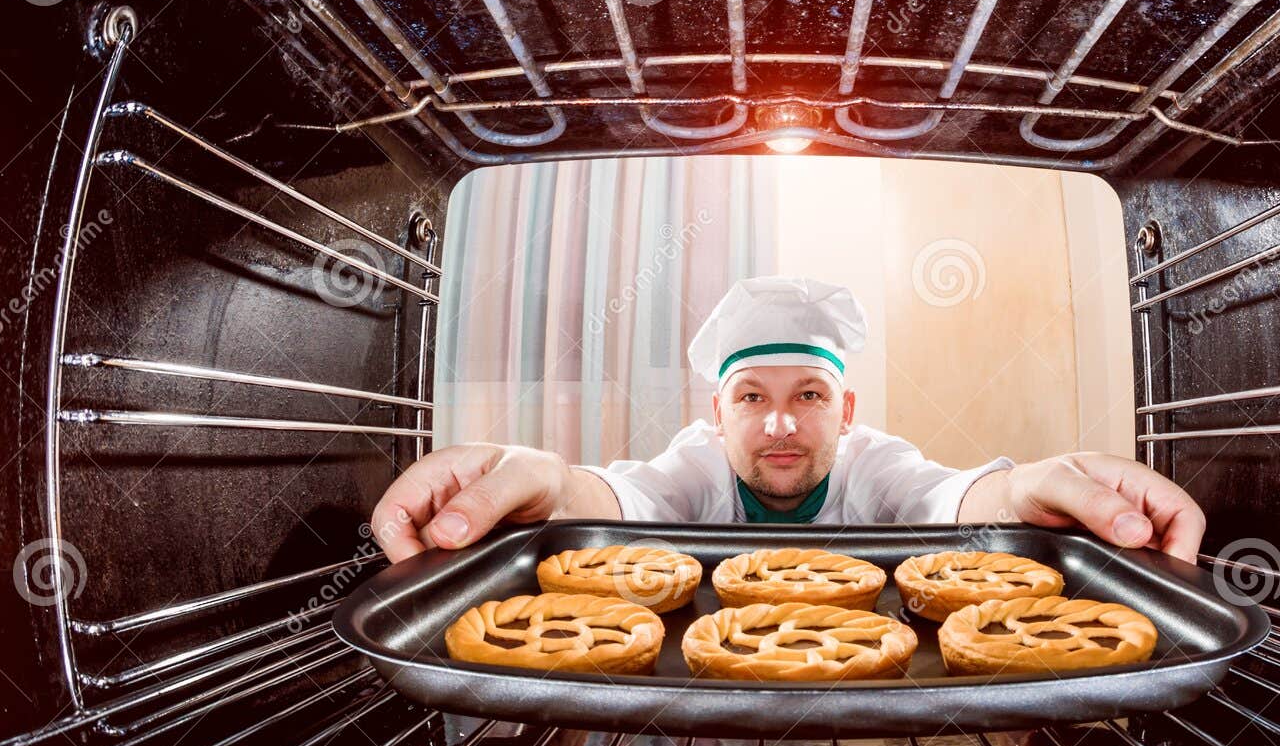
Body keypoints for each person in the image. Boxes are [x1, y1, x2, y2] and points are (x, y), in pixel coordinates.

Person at [371, 276, 1204, 563]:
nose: (778, 426)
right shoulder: (699, 464)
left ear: (846, 412)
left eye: (808, 395)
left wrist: (1025, 489)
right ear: (716, 413)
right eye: (750, 398)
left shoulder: (871, 461)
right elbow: (631, 497)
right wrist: (550, 481)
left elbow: (942, 497)